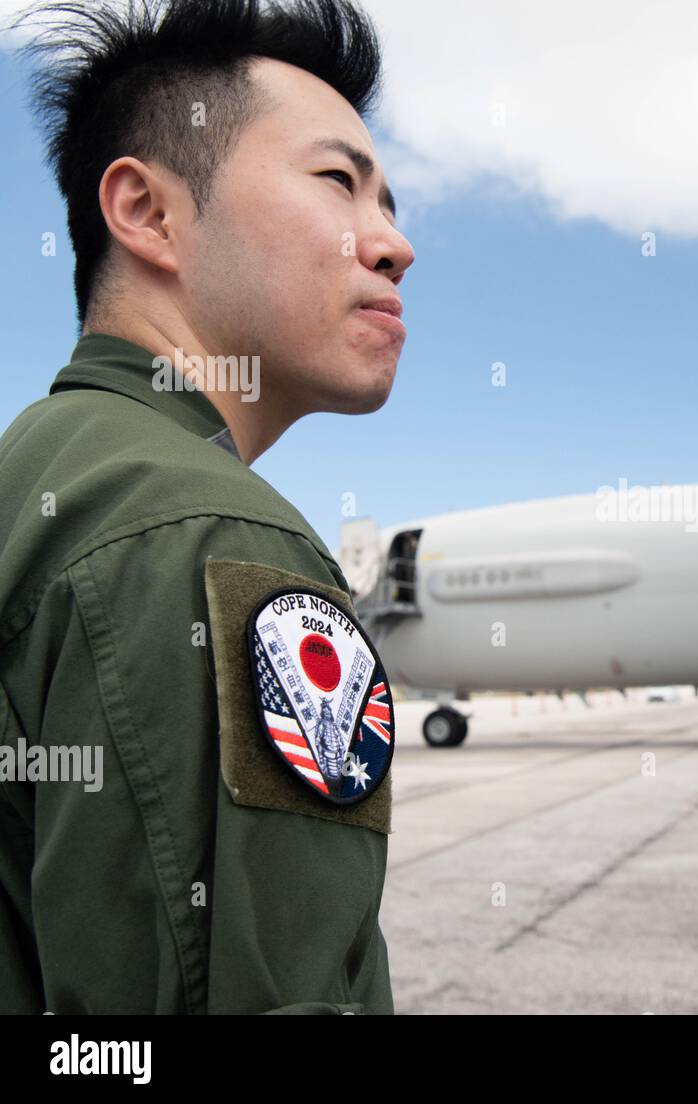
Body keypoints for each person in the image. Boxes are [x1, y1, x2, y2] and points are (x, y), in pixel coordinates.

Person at [0, 0, 415, 1013]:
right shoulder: (206, 535)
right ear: (147, 213)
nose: (394, 245)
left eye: (391, 203)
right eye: (338, 183)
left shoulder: (41, 477)